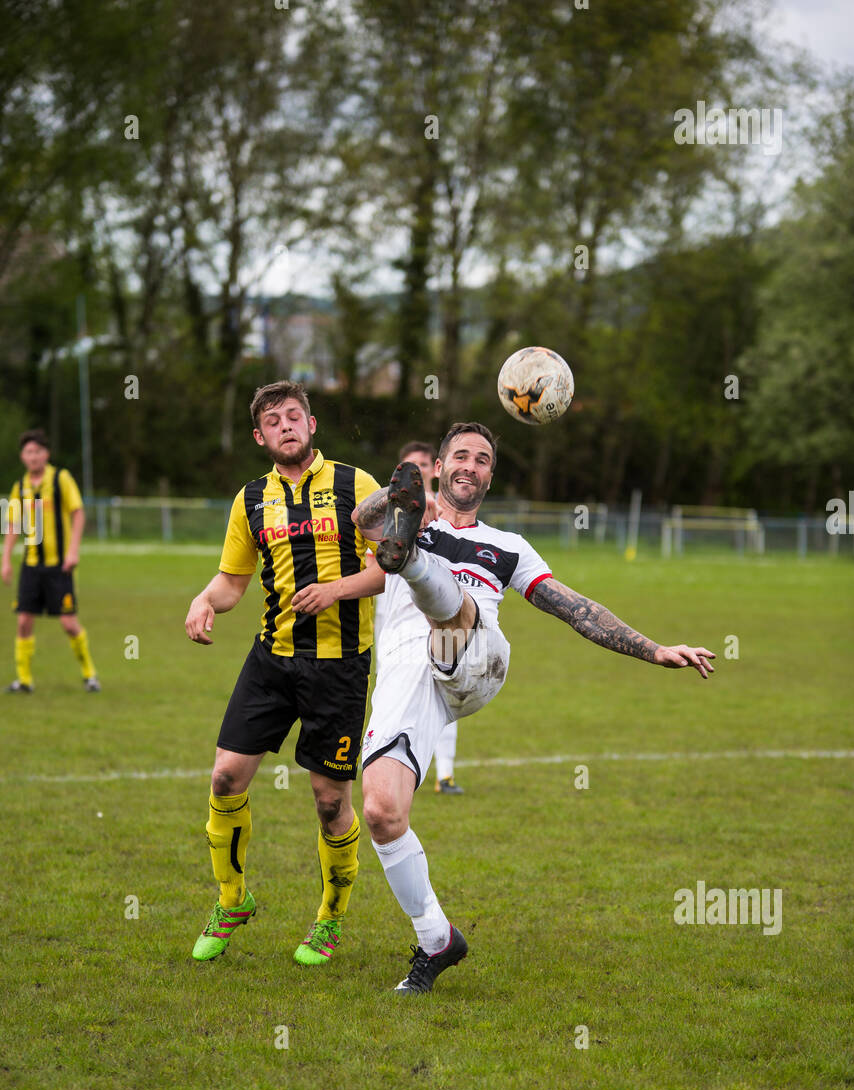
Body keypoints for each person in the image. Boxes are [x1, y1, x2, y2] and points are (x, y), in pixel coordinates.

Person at [353, 421, 715, 995]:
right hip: (406, 676)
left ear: (491, 476)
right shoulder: (406, 515)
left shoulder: (507, 546)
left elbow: (577, 609)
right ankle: (436, 939)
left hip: (477, 655)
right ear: (440, 467)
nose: (471, 466)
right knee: (380, 811)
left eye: (483, 459)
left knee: (452, 605)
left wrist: (656, 650)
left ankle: (418, 567)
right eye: (460, 457)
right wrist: (410, 498)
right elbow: (364, 522)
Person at [184, 381, 386, 965]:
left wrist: (335, 591)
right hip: (271, 659)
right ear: (260, 436)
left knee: (329, 802)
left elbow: (390, 567)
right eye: (273, 421)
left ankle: (330, 919)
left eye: (294, 416)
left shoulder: (358, 486)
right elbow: (233, 581)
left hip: (340, 667)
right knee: (225, 777)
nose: (286, 426)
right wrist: (204, 599)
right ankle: (232, 900)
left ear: (313, 424)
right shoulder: (250, 500)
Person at [376, 442, 464, 795]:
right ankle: (391, 763)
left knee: (449, 685)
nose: (419, 470)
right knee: (390, 688)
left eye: (424, 464)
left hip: (442, 614)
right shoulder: (393, 512)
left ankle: (445, 774)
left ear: (436, 468)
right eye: (411, 465)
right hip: (394, 615)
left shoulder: (450, 511)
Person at [1, 429, 100, 693]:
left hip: (60, 566)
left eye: (37, 451)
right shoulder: (20, 487)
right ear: (23, 456)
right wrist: (6, 560)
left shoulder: (60, 479)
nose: (32, 457)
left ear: (46, 454)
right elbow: (12, 524)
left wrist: (73, 551)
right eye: (28, 452)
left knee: (68, 623)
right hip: (31, 566)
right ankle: (24, 681)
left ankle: (90, 675)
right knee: (23, 622)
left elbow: (78, 514)